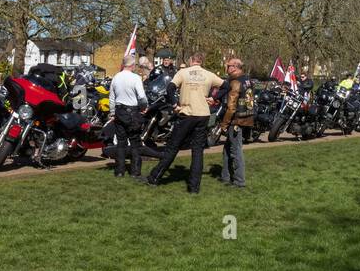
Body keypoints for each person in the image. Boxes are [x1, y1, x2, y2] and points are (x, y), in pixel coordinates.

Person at [146, 53, 222, 194]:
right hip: (203, 115)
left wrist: (175, 104)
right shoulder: (209, 74)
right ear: (201, 61)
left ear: (191, 61)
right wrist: (214, 97)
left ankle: (154, 177)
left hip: (187, 113)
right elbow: (226, 85)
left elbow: (170, 88)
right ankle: (194, 188)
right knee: (197, 151)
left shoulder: (183, 72)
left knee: (172, 147)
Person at [108, 55, 148, 180]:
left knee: (121, 143)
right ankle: (135, 172)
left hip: (119, 111)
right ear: (132, 65)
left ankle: (119, 171)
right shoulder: (136, 78)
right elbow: (142, 97)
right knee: (135, 142)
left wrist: (112, 113)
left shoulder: (116, 77)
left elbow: (112, 98)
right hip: (132, 112)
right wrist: (144, 107)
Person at [214, 58, 252, 188]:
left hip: (235, 120)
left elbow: (231, 107)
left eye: (228, 65)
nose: (227, 67)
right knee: (227, 149)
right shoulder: (247, 80)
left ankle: (239, 181)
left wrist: (224, 124)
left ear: (235, 67)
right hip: (245, 118)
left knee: (236, 151)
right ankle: (225, 176)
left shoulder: (235, 82)